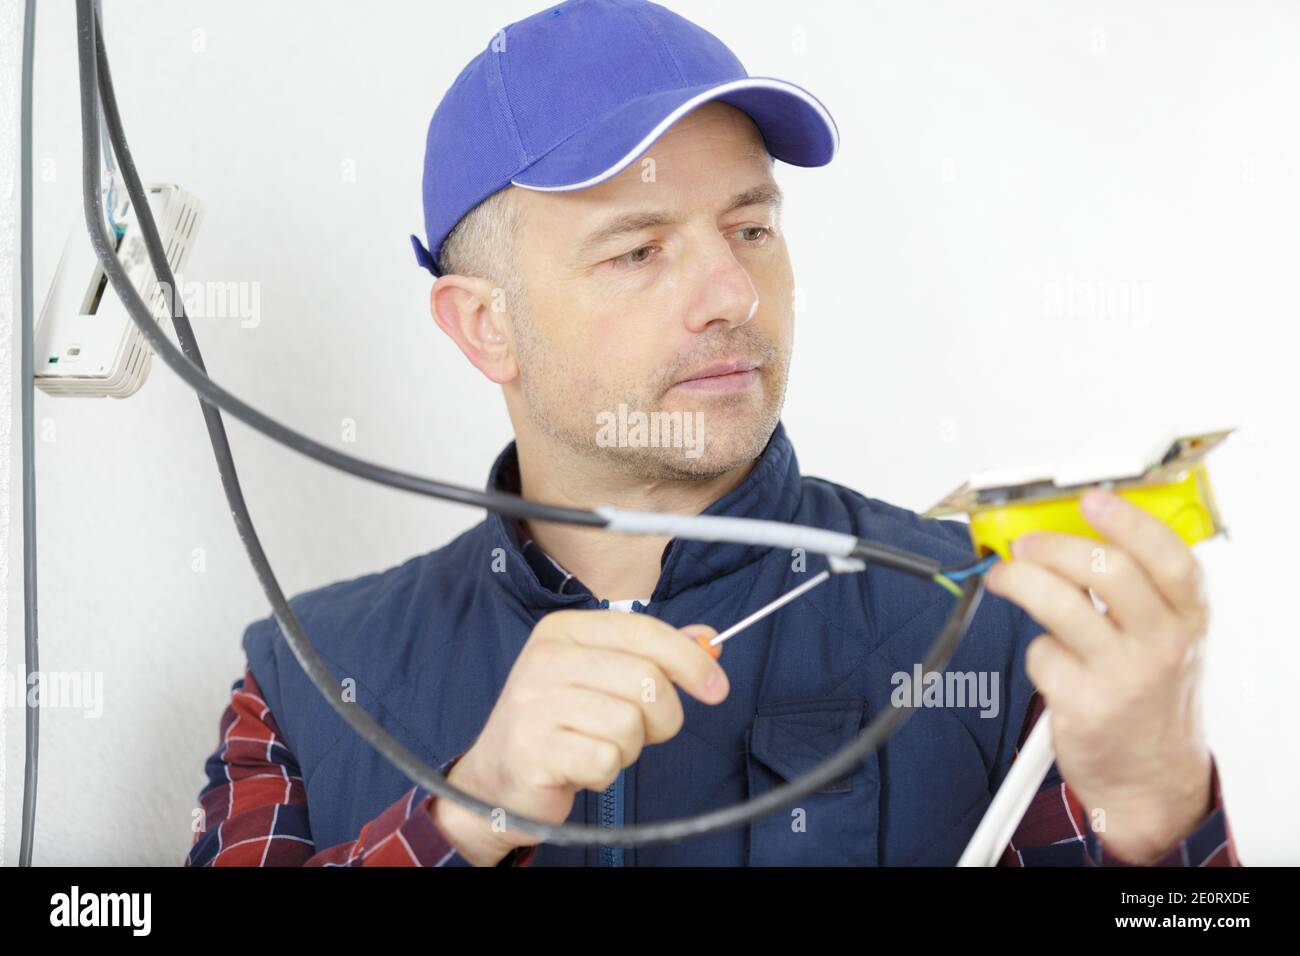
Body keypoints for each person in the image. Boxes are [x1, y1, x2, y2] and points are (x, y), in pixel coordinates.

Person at [186, 0, 1238, 867]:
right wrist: (468, 811)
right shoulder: (306, 676)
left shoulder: (1003, 624)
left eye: (750, 228)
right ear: (484, 325)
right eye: (638, 251)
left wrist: (1156, 811)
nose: (732, 292)